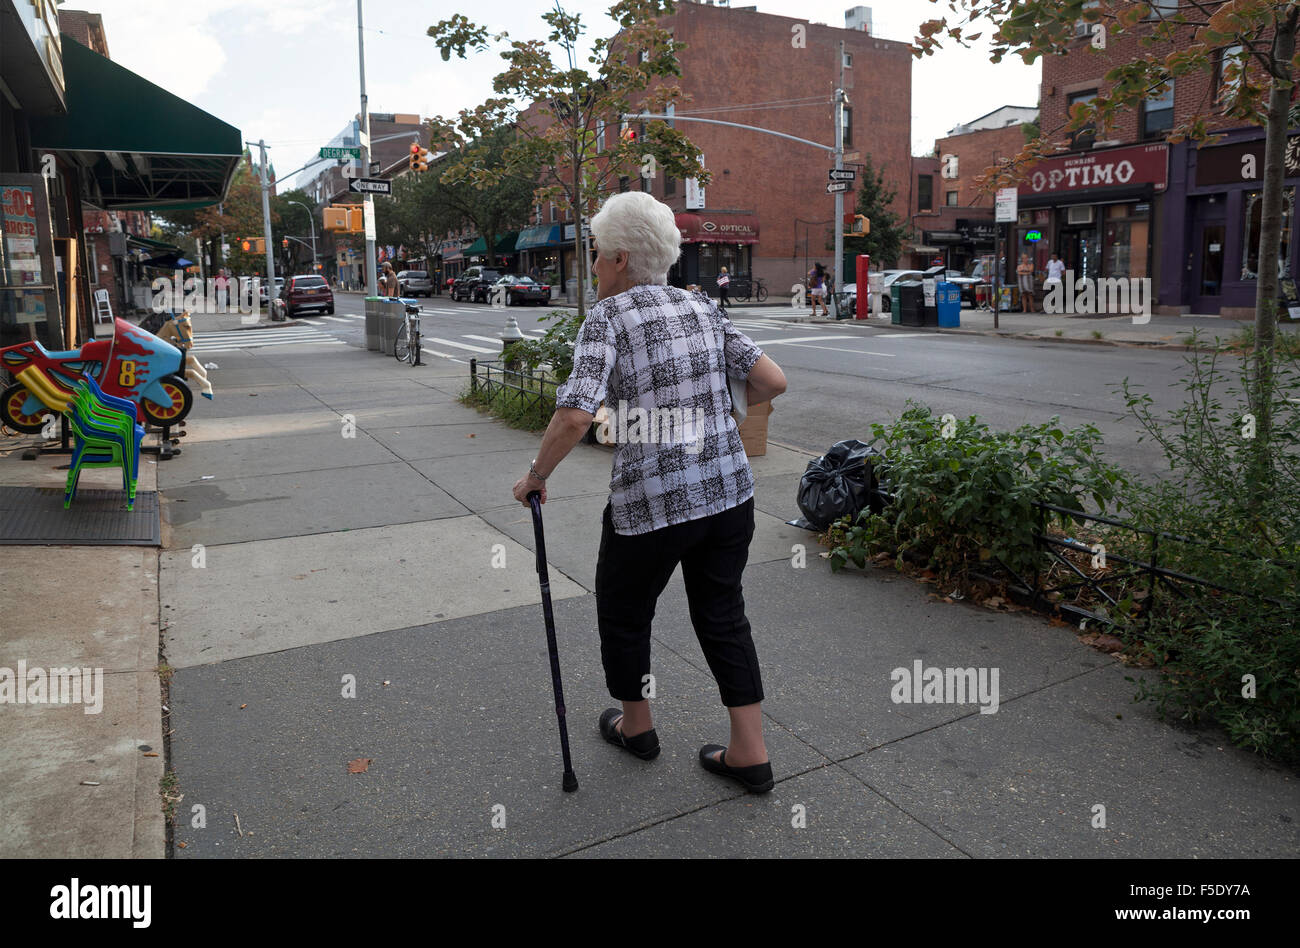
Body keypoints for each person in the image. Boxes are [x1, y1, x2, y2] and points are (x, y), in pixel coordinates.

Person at [511, 191, 788, 794]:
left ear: (616, 258)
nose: (592, 264)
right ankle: (751, 752)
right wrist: (707, 419)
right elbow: (772, 380)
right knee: (722, 615)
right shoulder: (702, 308)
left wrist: (537, 476)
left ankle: (637, 727)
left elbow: (575, 415)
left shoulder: (608, 318)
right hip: (728, 495)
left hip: (653, 503)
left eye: (595, 253)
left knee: (625, 610)